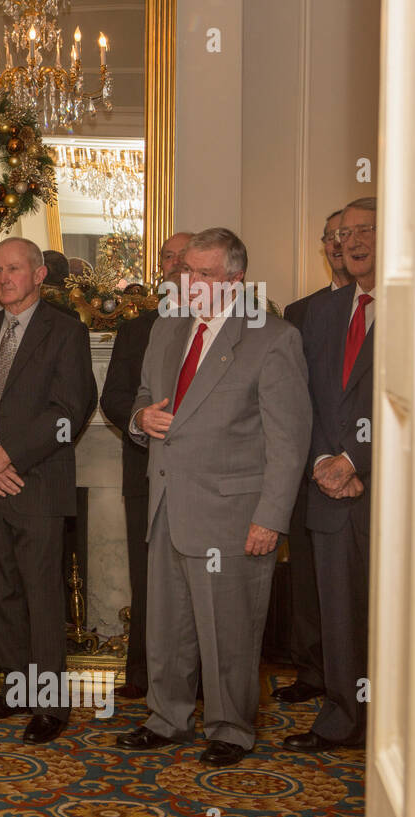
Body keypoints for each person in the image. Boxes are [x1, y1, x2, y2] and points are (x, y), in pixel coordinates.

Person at [117, 228, 310, 766]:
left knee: (229, 631)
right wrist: (141, 418)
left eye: (203, 273)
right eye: (185, 271)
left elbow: (289, 441)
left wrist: (271, 517)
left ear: (235, 279)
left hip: (233, 514)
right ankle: (167, 717)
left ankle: (230, 728)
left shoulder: (273, 338)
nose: (189, 281)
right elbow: (142, 399)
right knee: (167, 628)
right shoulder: (166, 330)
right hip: (165, 506)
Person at [0, 237, 97, 744]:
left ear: (38, 275)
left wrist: (9, 456)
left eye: (14, 269)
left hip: (37, 485)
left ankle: (51, 704)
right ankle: (18, 688)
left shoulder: (66, 332)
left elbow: (71, 410)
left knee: (41, 596)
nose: (4, 278)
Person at [285, 197, 377, 753]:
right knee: (338, 614)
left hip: (387, 490)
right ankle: (343, 717)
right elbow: (308, 398)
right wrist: (323, 460)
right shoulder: (321, 311)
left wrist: (357, 460)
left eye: (365, 228)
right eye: (343, 233)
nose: (352, 240)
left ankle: (395, 724)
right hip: (330, 490)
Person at [99, 231, 191, 699]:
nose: (175, 265)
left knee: (200, 583)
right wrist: (140, 418)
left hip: (206, 484)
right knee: (148, 579)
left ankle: (200, 683)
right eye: (167, 258)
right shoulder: (137, 329)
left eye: (184, 257)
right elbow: (112, 397)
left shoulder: (230, 327)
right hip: (144, 473)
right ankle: (143, 674)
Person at [274, 208, 350, 704]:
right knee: (306, 574)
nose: (339, 245)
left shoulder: (392, 303)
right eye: (331, 237)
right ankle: (312, 670)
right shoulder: (299, 313)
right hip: (308, 463)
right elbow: (290, 395)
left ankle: (358, 677)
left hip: (363, 466)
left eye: (351, 234)